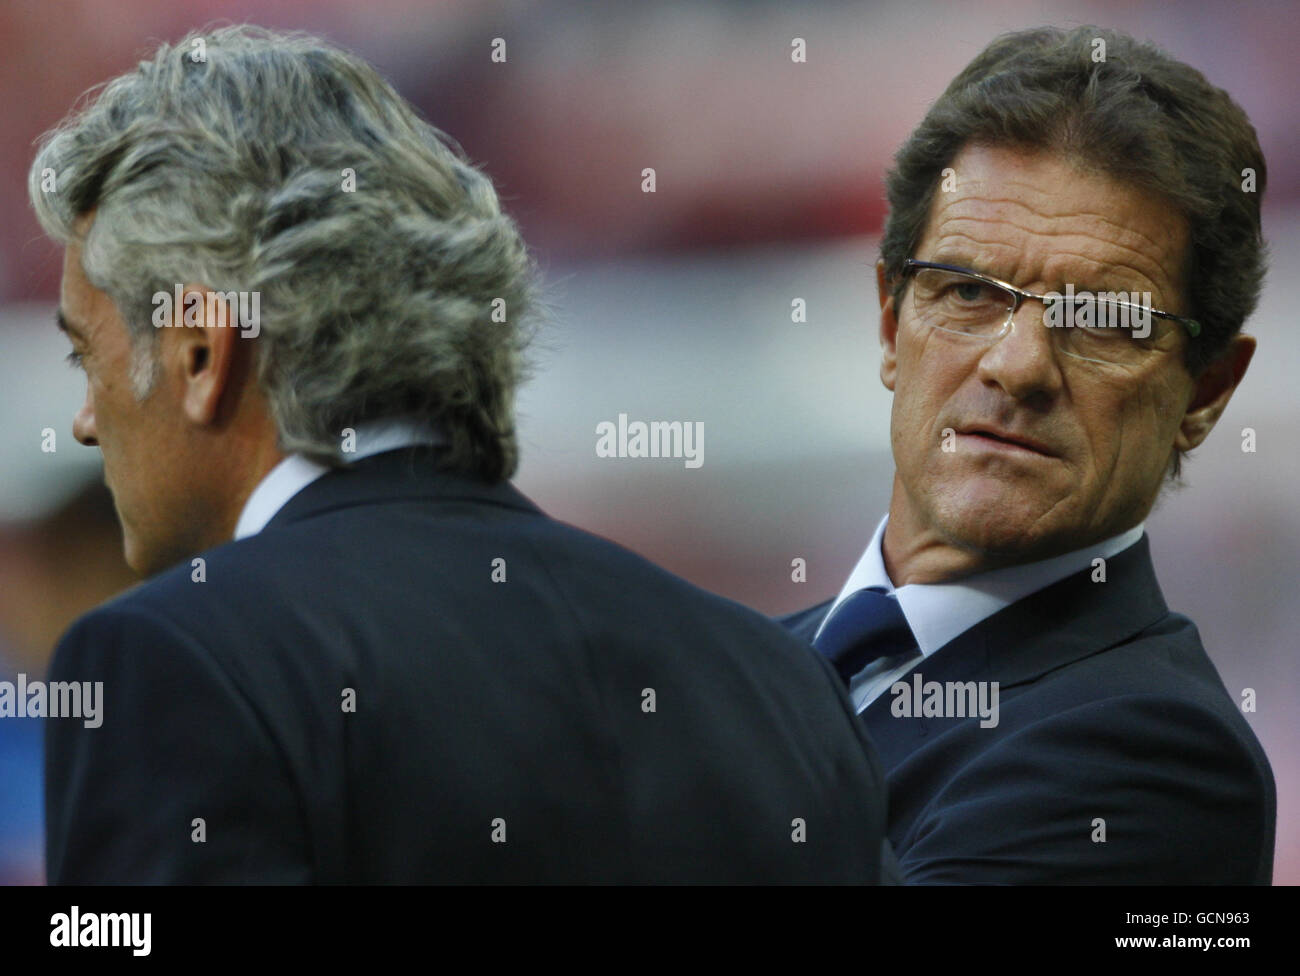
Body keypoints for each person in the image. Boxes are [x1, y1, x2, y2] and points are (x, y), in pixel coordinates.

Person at [34, 25, 891, 883]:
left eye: (86, 356)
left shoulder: (178, 660)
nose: (83, 422)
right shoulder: (776, 683)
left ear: (199, 353)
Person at [781, 25, 1274, 883]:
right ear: (893, 321)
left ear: (1206, 392)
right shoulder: (727, 665)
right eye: (968, 290)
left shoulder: (1165, 760)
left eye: (1106, 321)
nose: (1017, 366)